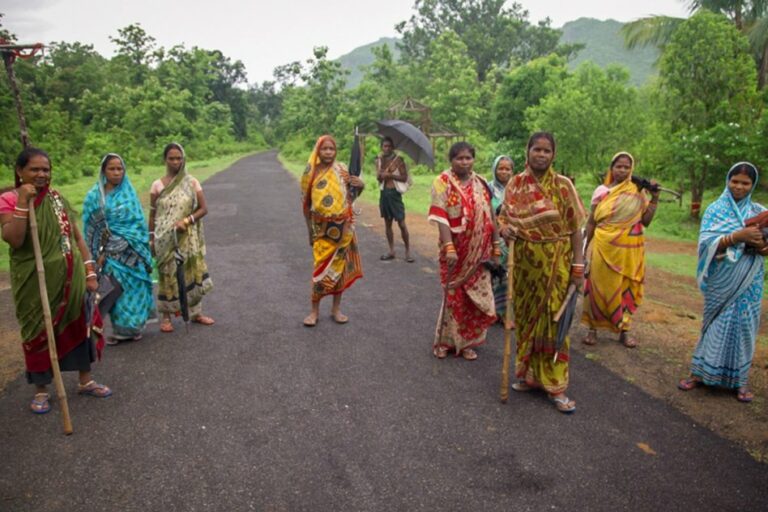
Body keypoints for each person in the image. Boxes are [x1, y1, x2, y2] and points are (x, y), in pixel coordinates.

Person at [0, 147, 111, 415]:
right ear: (20, 171)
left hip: (70, 280)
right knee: (38, 332)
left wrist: (90, 272)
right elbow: (13, 239)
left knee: (78, 326)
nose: (41, 175)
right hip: (33, 282)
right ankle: (41, 390)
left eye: (45, 170)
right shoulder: (8, 199)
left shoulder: (57, 199)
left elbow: (77, 238)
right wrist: (23, 203)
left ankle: (86, 380)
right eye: (34, 169)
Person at [498, 132, 586, 413]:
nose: (541, 155)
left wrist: (578, 266)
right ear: (528, 151)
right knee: (526, 320)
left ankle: (556, 386)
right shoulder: (515, 184)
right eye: (536, 149)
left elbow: (575, 229)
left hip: (556, 266)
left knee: (552, 321)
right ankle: (529, 376)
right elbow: (503, 219)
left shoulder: (563, 186)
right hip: (523, 268)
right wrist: (505, 230)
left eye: (547, 151)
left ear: (554, 155)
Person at [678, 162, 768, 403]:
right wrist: (736, 237)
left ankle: (740, 381)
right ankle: (699, 373)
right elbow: (705, 243)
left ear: (753, 185)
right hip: (721, 278)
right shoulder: (716, 210)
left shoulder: (760, 212)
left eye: (745, 183)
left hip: (749, 277)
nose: (739, 186)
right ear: (728, 181)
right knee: (714, 323)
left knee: (744, 326)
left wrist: (757, 242)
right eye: (735, 181)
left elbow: (766, 249)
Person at [429, 141, 500, 361]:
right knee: (454, 297)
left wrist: (496, 247)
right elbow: (441, 216)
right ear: (451, 160)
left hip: (480, 253)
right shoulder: (442, 182)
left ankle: (469, 342)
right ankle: (445, 341)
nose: (464, 162)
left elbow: (491, 216)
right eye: (459, 158)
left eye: (468, 158)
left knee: (474, 300)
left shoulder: (481, 183)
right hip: (455, 253)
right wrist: (449, 247)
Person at [581, 152, 660, 348]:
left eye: (626, 167)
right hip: (603, 246)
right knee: (598, 287)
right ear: (612, 168)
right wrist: (584, 249)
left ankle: (624, 330)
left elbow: (646, 222)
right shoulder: (601, 191)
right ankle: (593, 329)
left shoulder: (638, 192)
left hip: (629, 250)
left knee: (626, 288)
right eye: (619, 166)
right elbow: (591, 221)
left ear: (631, 170)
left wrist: (655, 199)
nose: (622, 170)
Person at [83, 153, 155, 344]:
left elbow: (138, 224)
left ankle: (133, 328)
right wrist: (98, 253)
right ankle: (119, 329)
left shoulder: (129, 194)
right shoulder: (94, 196)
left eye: (119, 169)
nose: (116, 173)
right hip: (108, 255)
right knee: (114, 289)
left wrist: (138, 245)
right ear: (103, 171)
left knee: (135, 289)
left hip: (132, 253)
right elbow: (91, 226)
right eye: (112, 169)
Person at [149, 142, 214, 333]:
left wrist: (187, 220)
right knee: (167, 275)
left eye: (179, 158)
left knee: (191, 272)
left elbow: (203, 209)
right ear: (165, 160)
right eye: (171, 158)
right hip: (164, 238)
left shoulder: (191, 182)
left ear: (183, 159)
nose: (175, 162)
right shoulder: (157, 185)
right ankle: (166, 317)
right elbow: (153, 214)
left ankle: (196, 313)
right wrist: (151, 238)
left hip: (186, 237)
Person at [301, 135, 365, 327]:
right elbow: (306, 205)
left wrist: (361, 186)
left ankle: (336, 309)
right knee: (319, 270)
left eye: (331, 149)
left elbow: (351, 195)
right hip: (321, 231)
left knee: (339, 270)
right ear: (318, 151)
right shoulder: (310, 173)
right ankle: (314, 311)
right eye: (324, 149)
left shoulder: (342, 170)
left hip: (343, 229)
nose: (328, 152)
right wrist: (309, 232)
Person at [376, 136, 413, 262]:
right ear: (382, 147)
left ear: (393, 147)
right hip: (384, 193)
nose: (387, 148)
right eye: (385, 146)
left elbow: (404, 177)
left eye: (389, 146)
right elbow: (379, 179)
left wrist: (390, 175)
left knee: (402, 224)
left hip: (395, 194)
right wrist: (381, 175)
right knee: (388, 223)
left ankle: (407, 251)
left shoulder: (398, 160)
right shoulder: (379, 160)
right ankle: (391, 250)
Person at [490, 156, 514, 321]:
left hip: (511, 239)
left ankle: (506, 314)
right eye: (501, 168)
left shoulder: (517, 189)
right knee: (493, 274)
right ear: (494, 170)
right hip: (493, 237)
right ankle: (492, 312)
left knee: (509, 276)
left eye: (508, 169)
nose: (504, 172)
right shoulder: (488, 189)